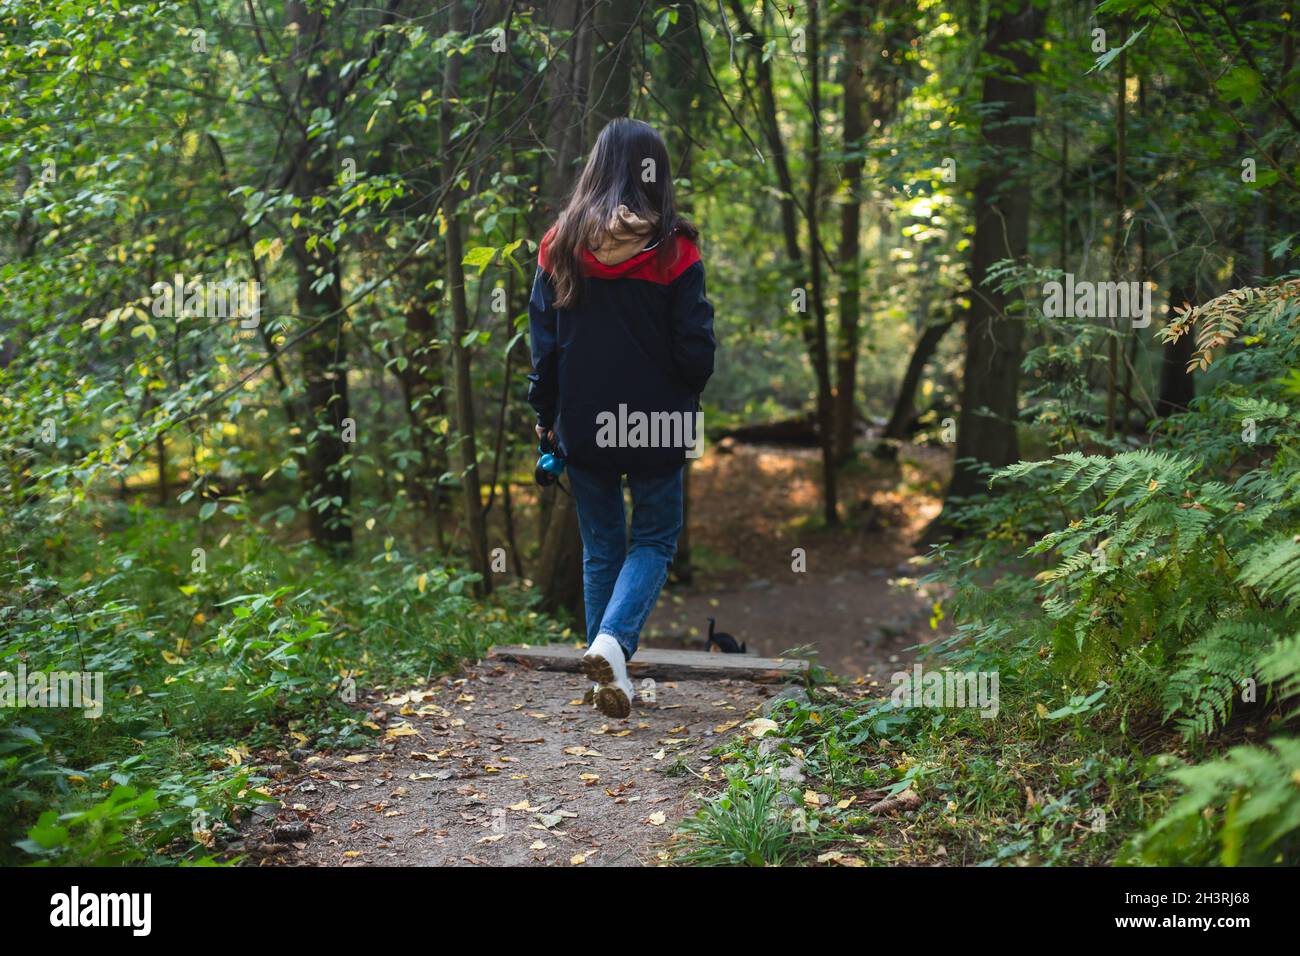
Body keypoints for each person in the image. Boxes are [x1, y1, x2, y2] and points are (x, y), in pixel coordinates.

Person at [527, 117, 716, 718]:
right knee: (656, 539)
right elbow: (695, 348)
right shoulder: (674, 248)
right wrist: (686, 386)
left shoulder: (559, 245)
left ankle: (603, 670)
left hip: (582, 417)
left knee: (602, 546)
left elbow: (545, 345)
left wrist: (544, 412)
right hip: (660, 419)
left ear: (597, 166)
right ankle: (611, 648)